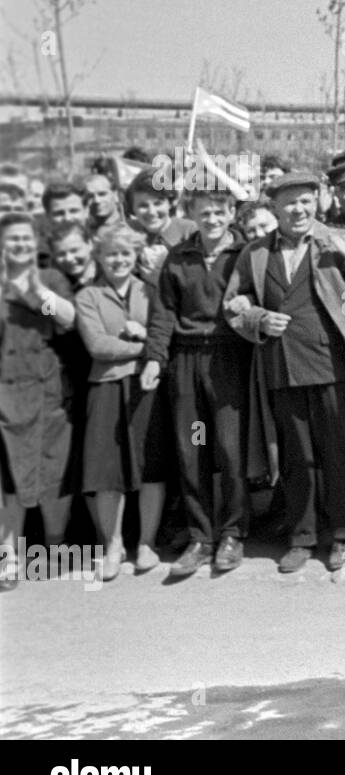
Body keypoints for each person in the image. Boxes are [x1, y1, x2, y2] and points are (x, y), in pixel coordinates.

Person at [223, 172, 345, 575]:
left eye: (306, 201)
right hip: (283, 366)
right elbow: (234, 303)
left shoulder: (341, 240)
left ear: (317, 203)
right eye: (290, 203)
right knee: (297, 458)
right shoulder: (255, 253)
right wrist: (258, 318)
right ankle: (302, 537)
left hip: (335, 365)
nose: (299, 210)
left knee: (341, 455)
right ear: (274, 208)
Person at [142, 184, 250, 578]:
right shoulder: (178, 257)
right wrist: (155, 358)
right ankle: (201, 536)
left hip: (228, 361)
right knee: (194, 447)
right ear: (192, 215)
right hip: (187, 364)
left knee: (229, 448)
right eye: (204, 212)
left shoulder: (245, 254)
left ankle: (233, 532)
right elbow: (163, 313)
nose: (212, 219)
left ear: (232, 213)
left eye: (220, 212)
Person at [76, 224, 169, 580]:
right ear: (99, 257)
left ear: (135, 256)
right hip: (106, 386)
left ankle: (147, 543)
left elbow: (164, 332)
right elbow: (98, 345)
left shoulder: (151, 290)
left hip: (147, 385)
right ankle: (112, 546)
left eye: (125, 253)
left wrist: (150, 343)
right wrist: (144, 347)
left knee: (151, 466)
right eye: (111, 254)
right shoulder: (88, 296)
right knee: (107, 472)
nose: (118, 260)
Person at [0, 213, 78, 590]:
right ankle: (8, 557)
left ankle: (55, 547)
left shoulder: (50, 278)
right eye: (12, 238)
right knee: (9, 479)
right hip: (5, 391)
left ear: (35, 242)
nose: (20, 244)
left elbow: (66, 319)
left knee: (52, 470)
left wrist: (35, 292)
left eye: (25, 238)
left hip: (47, 389)